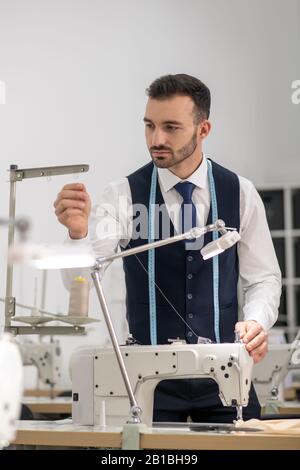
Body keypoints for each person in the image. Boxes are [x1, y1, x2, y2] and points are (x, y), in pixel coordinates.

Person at [54, 74, 281, 423]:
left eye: (171, 127)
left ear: (203, 129)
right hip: (147, 383)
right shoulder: (123, 196)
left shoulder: (240, 192)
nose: (156, 139)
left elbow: (264, 278)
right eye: (149, 126)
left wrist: (256, 321)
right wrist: (77, 236)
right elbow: (81, 281)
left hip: (227, 375)